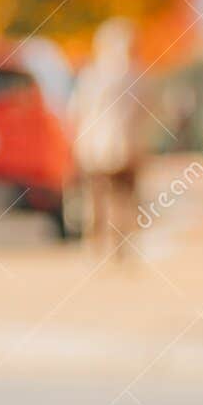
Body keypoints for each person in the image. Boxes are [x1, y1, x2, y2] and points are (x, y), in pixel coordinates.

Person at [69, 18, 144, 260]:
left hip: (94, 147)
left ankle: (95, 248)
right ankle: (121, 250)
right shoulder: (135, 77)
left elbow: (76, 110)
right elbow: (145, 113)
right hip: (125, 147)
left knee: (96, 199)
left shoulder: (91, 76)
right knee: (124, 199)